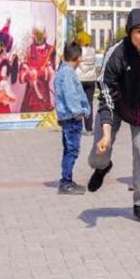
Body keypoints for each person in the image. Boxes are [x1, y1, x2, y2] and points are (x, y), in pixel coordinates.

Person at [88, 8, 140, 224]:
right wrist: (106, 135)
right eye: (138, 31)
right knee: (98, 152)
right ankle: (102, 166)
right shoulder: (116, 54)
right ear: (129, 32)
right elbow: (105, 97)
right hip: (115, 103)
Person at [53, 42, 89, 195]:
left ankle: (67, 180)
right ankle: (66, 183)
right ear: (77, 57)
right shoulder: (67, 72)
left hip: (67, 116)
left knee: (69, 149)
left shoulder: (62, 70)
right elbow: (70, 95)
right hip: (71, 117)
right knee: (72, 150)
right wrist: (78, 112)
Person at [76, 31, 98, 133]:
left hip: (80, 79)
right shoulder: (92, 50)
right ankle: (89, 128)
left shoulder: (78, 50)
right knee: (89, 103)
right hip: (91, 80)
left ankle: (79, 127)